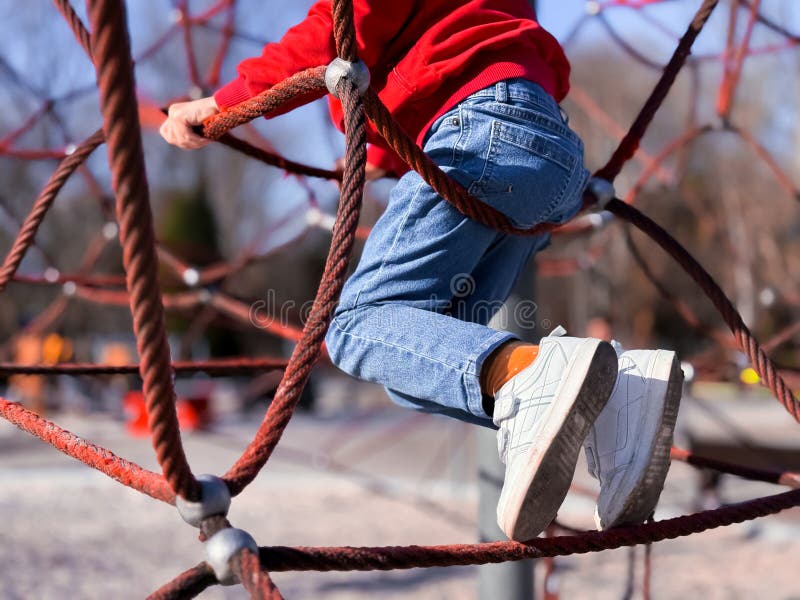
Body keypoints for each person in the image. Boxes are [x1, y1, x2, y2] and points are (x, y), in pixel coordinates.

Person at [160, 0, 683, 541]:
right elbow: (448, 39)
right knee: (420, 364)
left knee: (360, 324)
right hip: (553, 158)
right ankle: (617, 398)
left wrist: (223, 103)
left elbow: (342, 26)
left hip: (480, 130)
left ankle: (541, 374)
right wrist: (384, 151)